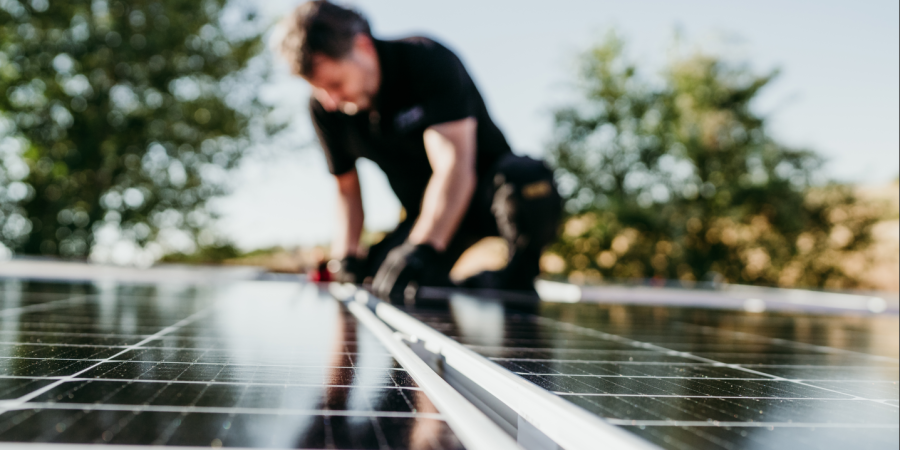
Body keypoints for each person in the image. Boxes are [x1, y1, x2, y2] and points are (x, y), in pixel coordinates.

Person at [274, 1, 561, 301]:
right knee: (384, 278)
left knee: (528, 179)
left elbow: (454, 166)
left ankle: (517, 279)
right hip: (424, 214)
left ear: (362, 47)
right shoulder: (325, 108)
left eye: (335, 83)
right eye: (319, 89)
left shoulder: (425, 60)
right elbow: (346, 189)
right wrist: (346, 258)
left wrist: (423, 247)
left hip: (485, 196)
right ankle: (449, 279)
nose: (330, 100)